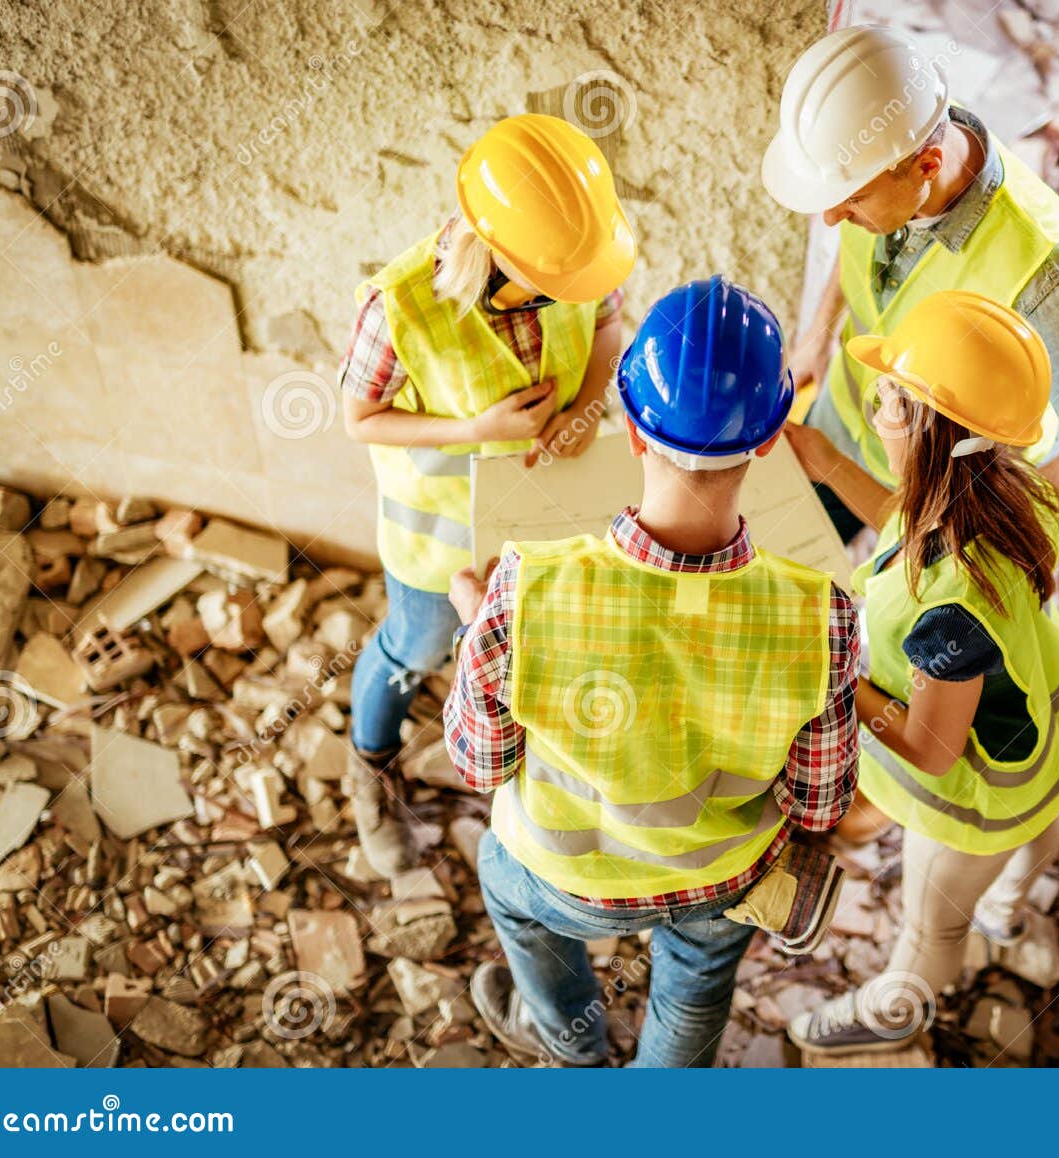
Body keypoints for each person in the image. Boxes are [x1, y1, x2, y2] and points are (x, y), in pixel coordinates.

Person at [443, 277, 860, 1068]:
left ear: (633, 431)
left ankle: (571, 1051)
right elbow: (818, 803)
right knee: (697, 985)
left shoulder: (524, 589)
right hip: (721, 882)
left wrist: (480, 632)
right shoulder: (824, 617)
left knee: (504, 878)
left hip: (564, 880)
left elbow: (481, 763)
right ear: (769, 437)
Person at [784, 291, 1059, 1057]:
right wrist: (824, 461)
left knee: (932, 922)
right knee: (1036, 838)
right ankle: (1011, 910)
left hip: (981, 796)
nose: (877, 409)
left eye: (889, 399)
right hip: (1054, 735)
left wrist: (834, 673)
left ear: (927, 431)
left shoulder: (949, 612)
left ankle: (896, 1012)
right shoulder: (1015, 492)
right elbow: (913, 516)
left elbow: (929, 748)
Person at [339, 114, 633, 877]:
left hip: (546, 516)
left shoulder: (578, 256)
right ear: (500, 254)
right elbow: (359, 417)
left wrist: (585, 411)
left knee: (533, 637)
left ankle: (515, 766)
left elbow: (610, 328)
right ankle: (368, 769)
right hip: (439, 541)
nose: (583, 285)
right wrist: (475, 427)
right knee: (416, 650)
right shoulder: (397, 305)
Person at [762, 24, 1059, 522]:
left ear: (927, 166)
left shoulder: (1043, 275)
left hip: (930, 497)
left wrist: (991, 525)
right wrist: (817, 338)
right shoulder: (894, 159)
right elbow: (859, 243)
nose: (830, 218)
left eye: (853, 200)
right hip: (844, 423)